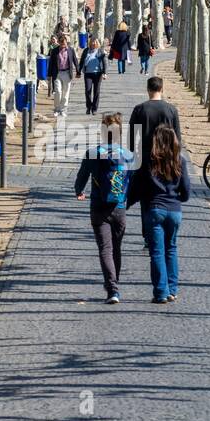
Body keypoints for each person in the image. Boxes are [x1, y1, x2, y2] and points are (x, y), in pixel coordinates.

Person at [74, 113, 134, 304]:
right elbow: (132, 182)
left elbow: (81, 177)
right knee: (116, 248)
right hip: (119, 207)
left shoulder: (92, 153)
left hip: (98, 206)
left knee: (105, 248)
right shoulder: (129, 155)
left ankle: (112, 289)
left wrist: (79, 191)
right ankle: (115, 283)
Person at [131, 124, 189, 303]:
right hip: (174, 210)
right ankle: (172, 289)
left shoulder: (149, 161)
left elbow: (138, 187)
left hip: (155, 208)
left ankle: (160, 292)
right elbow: (186, 192)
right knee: (171, 249)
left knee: (156, 252)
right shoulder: (181, 160)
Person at [127, 76, 183, 190]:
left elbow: (131, 134)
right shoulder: (171, 109)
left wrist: (132, 152)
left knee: (146, 190)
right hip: (167, 154)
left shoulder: (139, 109)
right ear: (162, 89)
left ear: (147, 89)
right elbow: (177, 136)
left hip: (145, 154)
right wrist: (176, 155)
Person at [77, 35, 107, 114]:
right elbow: (81, 62)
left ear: (97, 43)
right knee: (87, 91)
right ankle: (88, 107)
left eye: (95, 42)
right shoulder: (86, 51)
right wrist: (78, 72)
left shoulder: (100, 51)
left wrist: (104, 73)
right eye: (92, 42)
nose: (93, 44)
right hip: (88, 73)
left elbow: (104, 62)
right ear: (90, 43)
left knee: (96, 91)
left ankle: (94, 108)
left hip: (98, 74)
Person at [49, 35, 76, 116]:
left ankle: (63, 109)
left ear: (66, 42)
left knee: (66, 92)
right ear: (59, 43)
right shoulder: (54, 51)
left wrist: (78, 71)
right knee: (58, 91)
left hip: (67, 73)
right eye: (61, 43)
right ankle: (57, 109)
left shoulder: (70, 50)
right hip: (57, 73)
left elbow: (75, 60)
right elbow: (51, 63)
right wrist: (49, 75)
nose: (63, 45)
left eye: (64, 43)